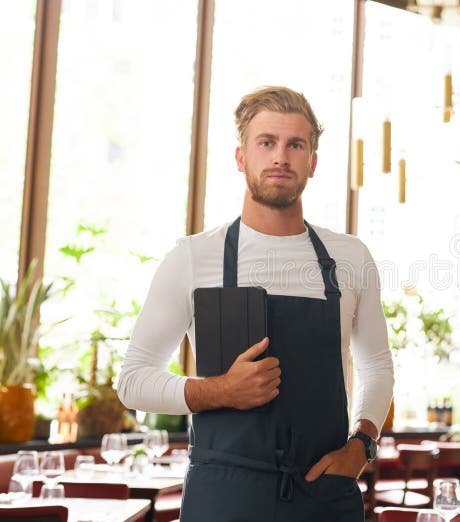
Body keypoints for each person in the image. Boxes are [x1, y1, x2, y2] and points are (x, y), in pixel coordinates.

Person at [117, 86, 394, 521]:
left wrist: (361, 445)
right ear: (241, 157)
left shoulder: (351, 258)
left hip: (323, 494)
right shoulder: (194, 257)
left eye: (295, 145)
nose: (280, 157)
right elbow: (132, 381)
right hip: (224, 494)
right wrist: (219, 390)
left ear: (312, 163)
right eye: (266, 143)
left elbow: (376, 364)